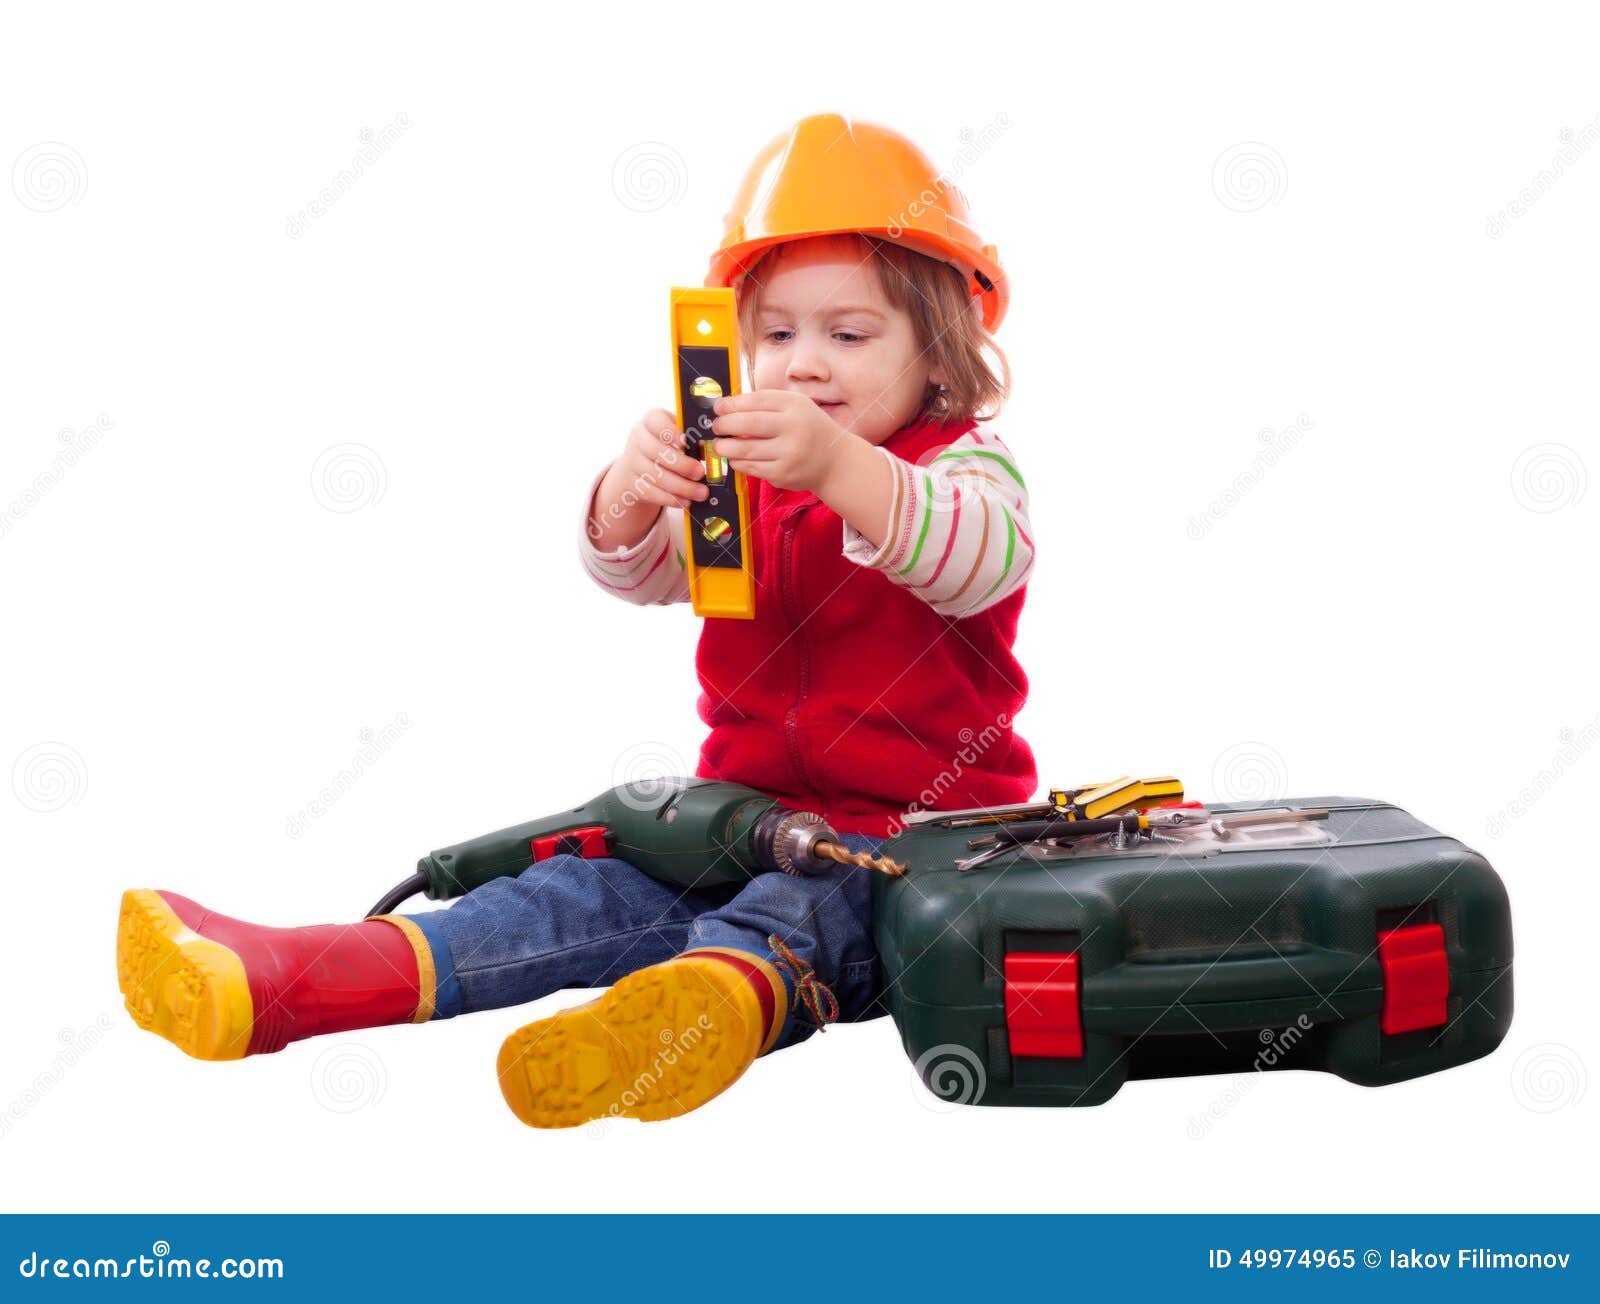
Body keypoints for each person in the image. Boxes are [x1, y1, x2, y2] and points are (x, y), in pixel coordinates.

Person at [114, 112, 1038, 1127]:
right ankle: (300, 975)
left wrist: (839, 469)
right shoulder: (748, 479)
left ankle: (696, 1011)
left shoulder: (959, 464)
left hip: (908, 848)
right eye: (775, 333)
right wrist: (630, 495)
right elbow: (637, 573)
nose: (802, 365)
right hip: (741, 820)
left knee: (795, 918)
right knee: (571, 895)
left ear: (941, 355)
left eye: (847, 334)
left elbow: (975, 558)